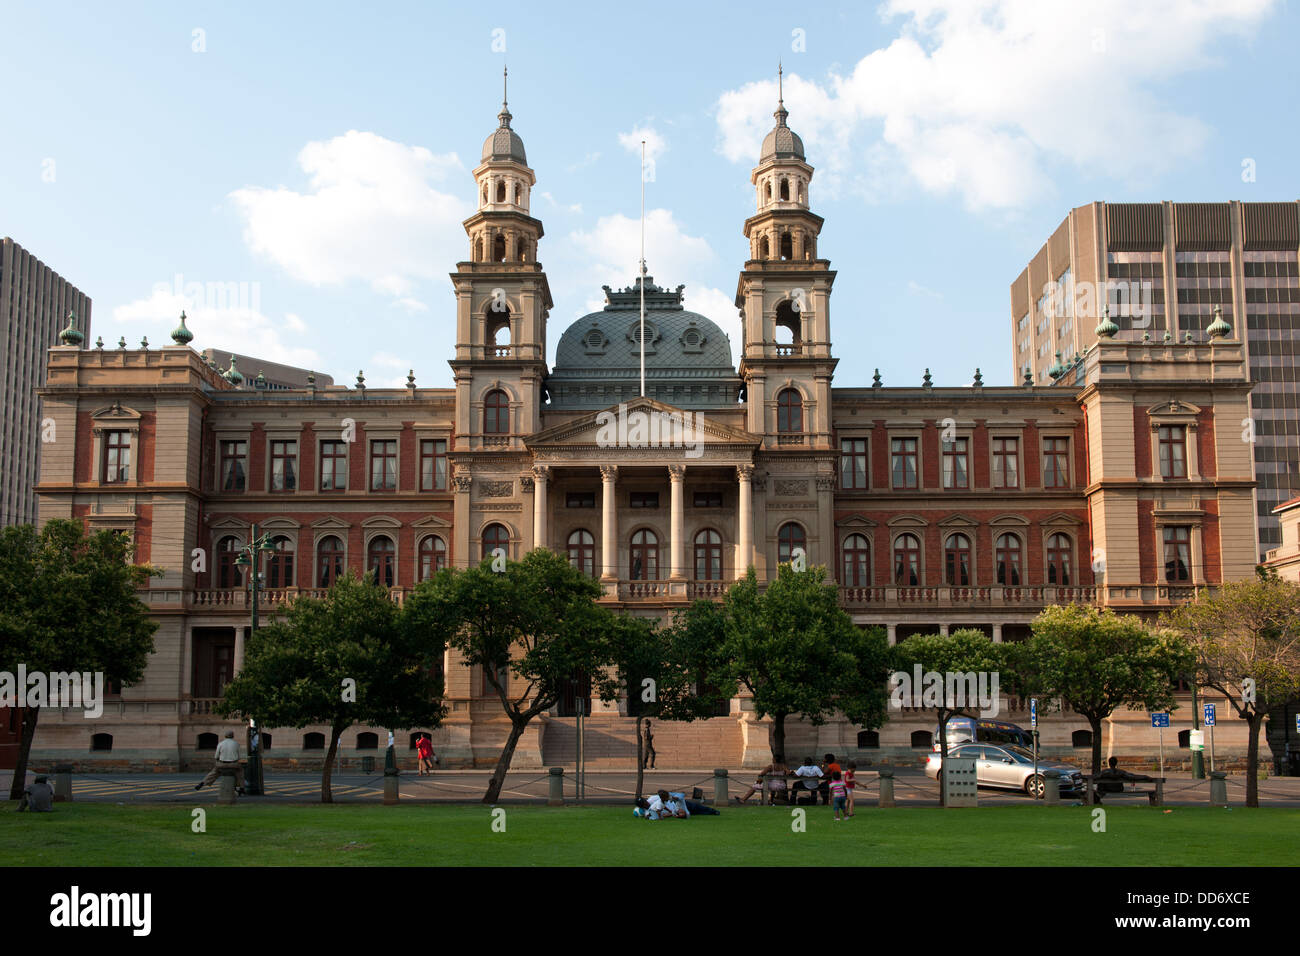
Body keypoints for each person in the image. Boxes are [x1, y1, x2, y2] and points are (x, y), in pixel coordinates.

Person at [196, 729, 245, 794]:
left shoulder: (220, 744)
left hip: (222, 764)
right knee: (240, 773)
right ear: (233, 736)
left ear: (225, 736)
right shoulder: (236, 744)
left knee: (214, 772)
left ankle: (203, 783)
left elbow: (216, 756)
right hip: (233, 764)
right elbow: (239, 757)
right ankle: (241, 788)